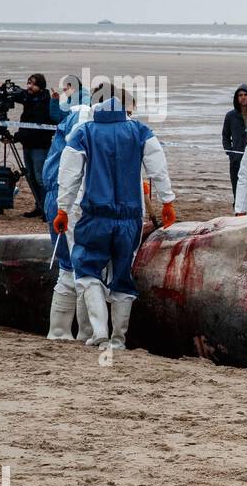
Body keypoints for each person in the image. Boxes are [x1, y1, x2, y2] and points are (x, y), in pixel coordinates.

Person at [54, 87, 176, 349]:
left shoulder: (84, 132)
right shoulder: (140, 131)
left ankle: (99, 331)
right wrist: (167, 200)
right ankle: (119, 340)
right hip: (130, 217)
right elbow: (158, 166)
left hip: (95, 215)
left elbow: (69, 174)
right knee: (122, 274)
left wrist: (62, 208)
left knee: (86, 269)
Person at [42, 79, 96, 340]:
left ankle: (60, 331)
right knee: (81, 266)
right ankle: (86, 333)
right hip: (69, 198)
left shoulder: (70, 118)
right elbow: (78, 168)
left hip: (55, 194)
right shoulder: (84, 119)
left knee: (67, 267)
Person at [5, 73, 56, 218]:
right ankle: (38, 206)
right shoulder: (29, 98)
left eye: (33, 84)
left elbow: (34, 127)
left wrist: (15, 138)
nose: (29, 86)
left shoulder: (44, 102)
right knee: (30, 177)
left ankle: (47, 208)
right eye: (28, 83)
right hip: (27, 144)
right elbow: (17, 94)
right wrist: (4, 89)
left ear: (41, 86)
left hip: (40, 145)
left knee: (41, 178)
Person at [221, 84, 247, 198]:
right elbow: (225, 136)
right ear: (237, 98)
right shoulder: (230, 116)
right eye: (240, 95)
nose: (243, 97)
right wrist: (230, 153)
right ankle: (238, 213)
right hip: (236, 160)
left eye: (245, 95)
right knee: (237, 190)